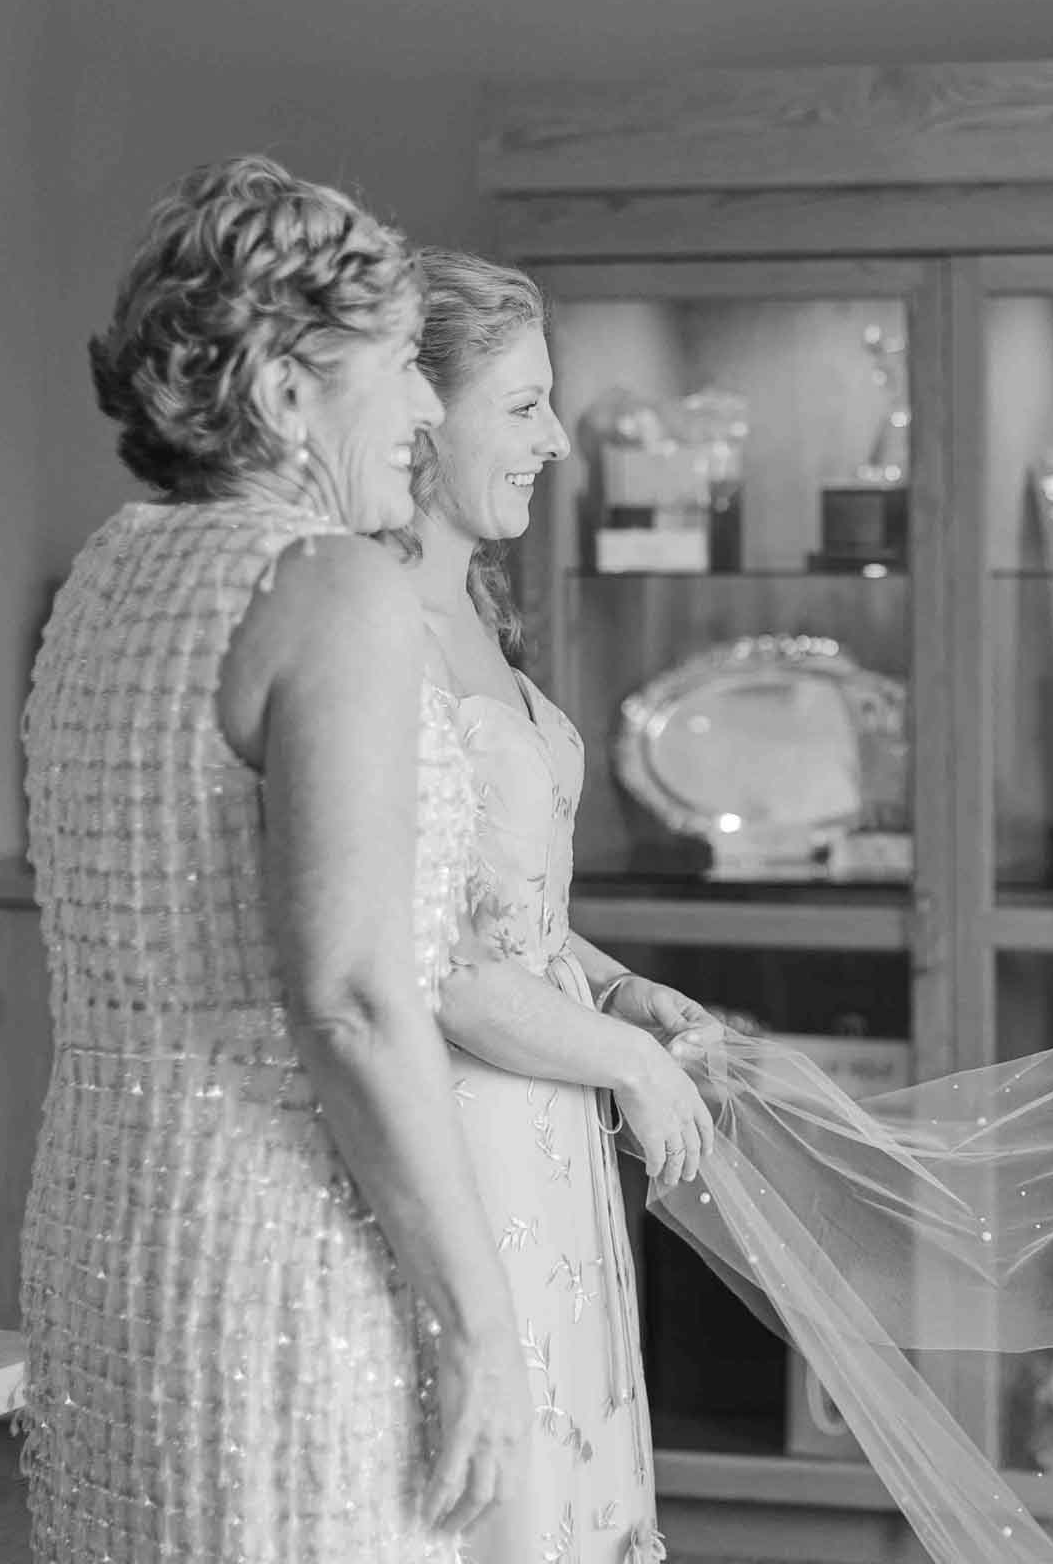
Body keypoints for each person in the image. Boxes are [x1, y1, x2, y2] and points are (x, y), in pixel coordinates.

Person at [18, 158, 526, 1563]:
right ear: (290, 393)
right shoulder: (332, 588)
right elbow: (352, 998)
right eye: (399, 370)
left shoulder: (108, 573)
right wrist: (480, 1322)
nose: (428, 409)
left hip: (105, 1221)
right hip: (286, 1258)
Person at [391, 248, 718, 1564]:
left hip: (548, 1120)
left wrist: (617, 986)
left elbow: (499, 908)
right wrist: (623, 1054)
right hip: (465, 1126)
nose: (560, 438)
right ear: (421, 411)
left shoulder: (474, 607)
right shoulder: (383, 632)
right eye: (523, 405)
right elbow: (432, 962)